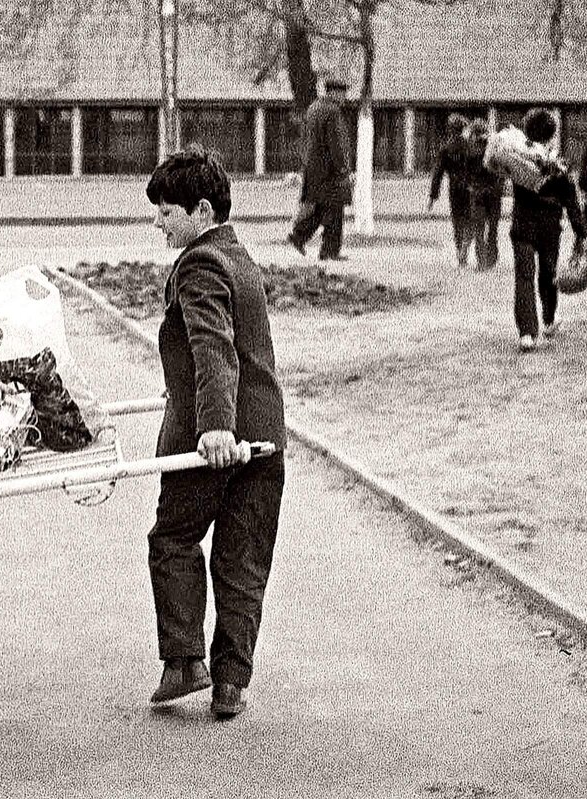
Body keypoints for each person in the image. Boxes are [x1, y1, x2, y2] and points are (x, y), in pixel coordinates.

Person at [145, 146, 287, 720]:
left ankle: (184, 663)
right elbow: (236, 347)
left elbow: (215, 348)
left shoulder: (200, 263)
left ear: (200, 209)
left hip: (217, 439)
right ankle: (231, 682)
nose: (158, 221)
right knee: (241, 557)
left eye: (165, 211)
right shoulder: (238, 255)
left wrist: (214, 428)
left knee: (174, 538)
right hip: (267, 433)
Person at [508, 108, 587, 352]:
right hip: (549, 228)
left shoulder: (517, 158)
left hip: (522, 225)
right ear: (552, 134)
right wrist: (583, 235)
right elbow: (572, 203)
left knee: (524, 276)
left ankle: (527, 332)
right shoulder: (557, 164)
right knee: (548, 273)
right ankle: (548, 319)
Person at [287, 74, 352, 262]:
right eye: (342, 93)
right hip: (329, 171)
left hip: (313, 169)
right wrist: (343, 168)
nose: (344, 97)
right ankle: (328, 250)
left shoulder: (313, 108)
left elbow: (306, 139)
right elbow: (336, 143)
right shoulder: (333, 112)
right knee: (335, 210)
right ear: (333, 92)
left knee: (324, 209)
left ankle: (300, 237)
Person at [429, 113, 476, 269]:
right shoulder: (470, 146)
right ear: (462, 128)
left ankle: (460, 256)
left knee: (457, 222)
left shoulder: (445, 148)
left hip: (454, 188)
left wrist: (432, 196)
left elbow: (438, 173)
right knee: (470, 220)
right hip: (470, 187)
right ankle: (465, 247)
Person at [463, 118, 505, 271]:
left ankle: (481, 262)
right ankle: (492, 258)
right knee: (493, 228)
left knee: (479, 229)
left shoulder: (471, 151)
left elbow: (466, 174)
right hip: (494, 193)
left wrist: (470, 187)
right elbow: (502, 171)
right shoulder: (494, 149)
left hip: (478, 193)